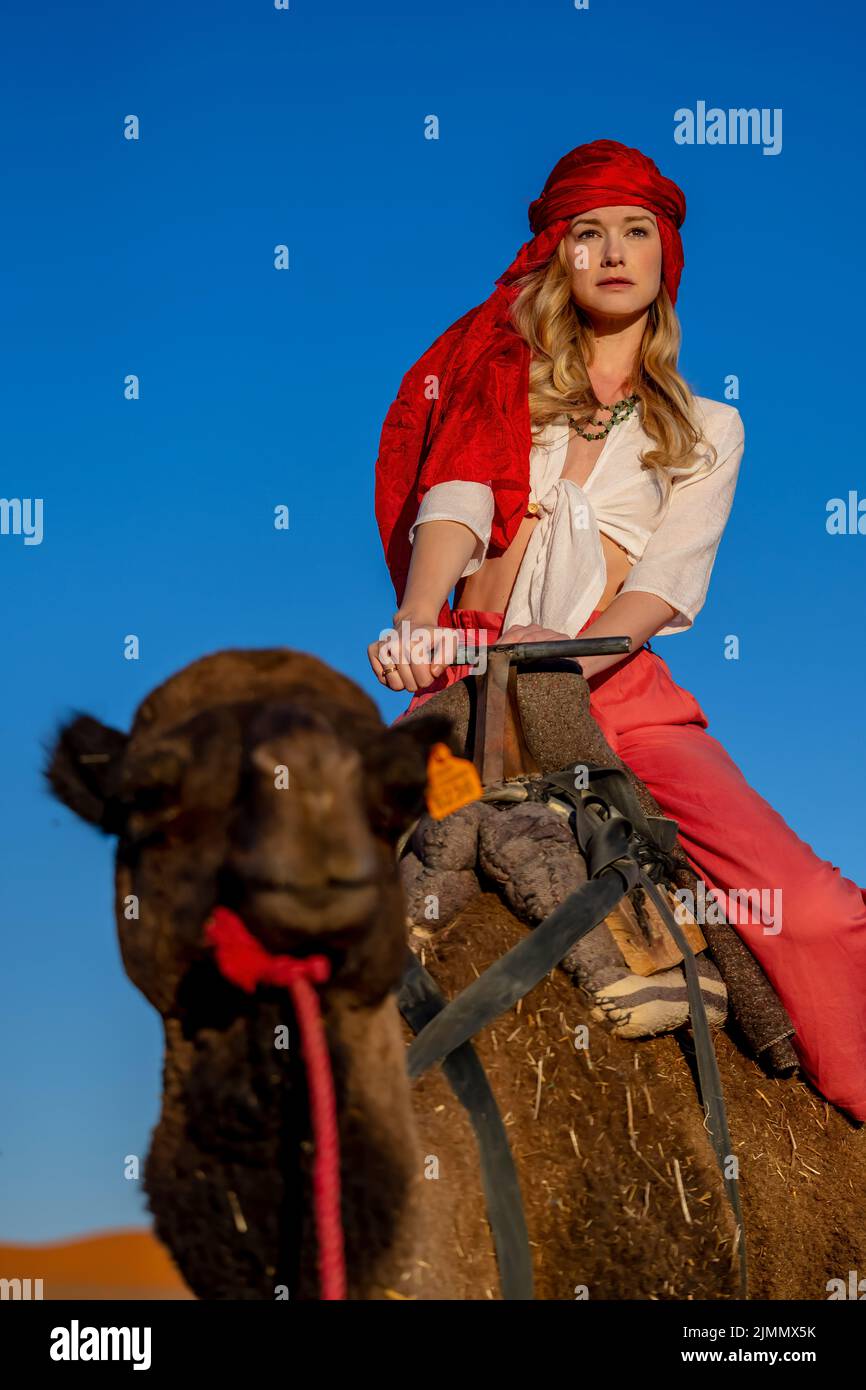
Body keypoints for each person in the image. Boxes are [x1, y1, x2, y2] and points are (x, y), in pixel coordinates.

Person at [369, 138, 866, 1124]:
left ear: (663, 258)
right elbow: (455, 510)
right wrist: (418, 622)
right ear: (556, 254)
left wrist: (560, 657)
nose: (610, 251)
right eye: (585, 232)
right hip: (466, 697)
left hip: (618, 699)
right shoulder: (495, 389)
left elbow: (661, 589)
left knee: (809, 908)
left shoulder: (705, 427)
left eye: (634, 232)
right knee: (297, 874)